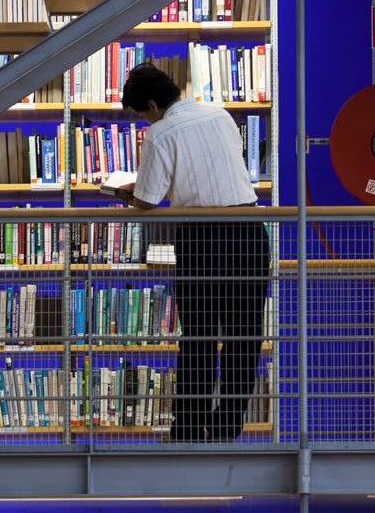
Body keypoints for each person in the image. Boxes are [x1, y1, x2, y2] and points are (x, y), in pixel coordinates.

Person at [112, 62, 270, 442]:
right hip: (250, 230)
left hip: (203, 238)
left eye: (142, 114)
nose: (145, 120)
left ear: (152, 105)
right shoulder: (221, 115)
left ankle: (187, 429)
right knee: (244, 335)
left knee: (198, 336)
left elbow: (148, 200)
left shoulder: (159, 134)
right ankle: (225, 427)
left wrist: (126, 193)